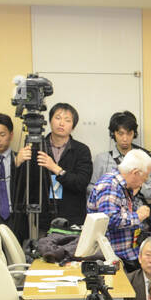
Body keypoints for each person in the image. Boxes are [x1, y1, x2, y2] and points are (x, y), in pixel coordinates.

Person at [12, 101, 92, 236]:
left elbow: (81, 182)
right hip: (42, 219)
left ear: (73, 126)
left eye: (67, 120)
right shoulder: (36, 147)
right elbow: (23, 184)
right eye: (58, 118)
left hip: (72, 219)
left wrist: (56, 169)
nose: (61, 124)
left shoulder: (81, 150)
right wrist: (17, 163)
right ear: (49, 121)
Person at [86, 148, 151, 270]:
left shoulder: (123, 186)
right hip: (112, 258)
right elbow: (110, 219)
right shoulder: (110, 185)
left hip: (125, 256)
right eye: (144, 179)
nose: (142, 184)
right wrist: (138, 216)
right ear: (135, 172)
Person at [91, 111, 151, 203]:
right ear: (113, 134)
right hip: (110, 207)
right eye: (120, 133)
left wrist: (138, 185)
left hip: (137, 210)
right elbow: (90, 187)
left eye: (129, 133)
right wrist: (110, 190)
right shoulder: (102, 159)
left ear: (134, 134)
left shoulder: (145, 159)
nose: (125, 139)